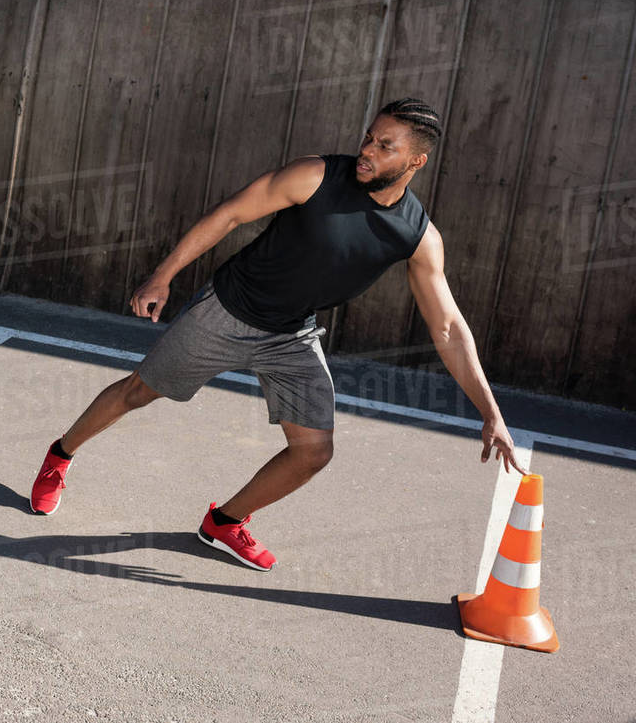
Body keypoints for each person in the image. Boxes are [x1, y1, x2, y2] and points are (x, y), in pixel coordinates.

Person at [28, 98, 525, 571]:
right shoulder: (316, 175)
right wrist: (164, 275)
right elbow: (231, 213)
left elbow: (447, 327)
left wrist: (491, 413)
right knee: (137, 392)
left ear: (416, 160)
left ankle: (224, 522)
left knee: (314, 450)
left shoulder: (417, 236)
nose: (367, 151)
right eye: (369, 138)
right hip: (228, 311)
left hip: (292, 334)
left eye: (385, 146)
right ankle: (60, 454)